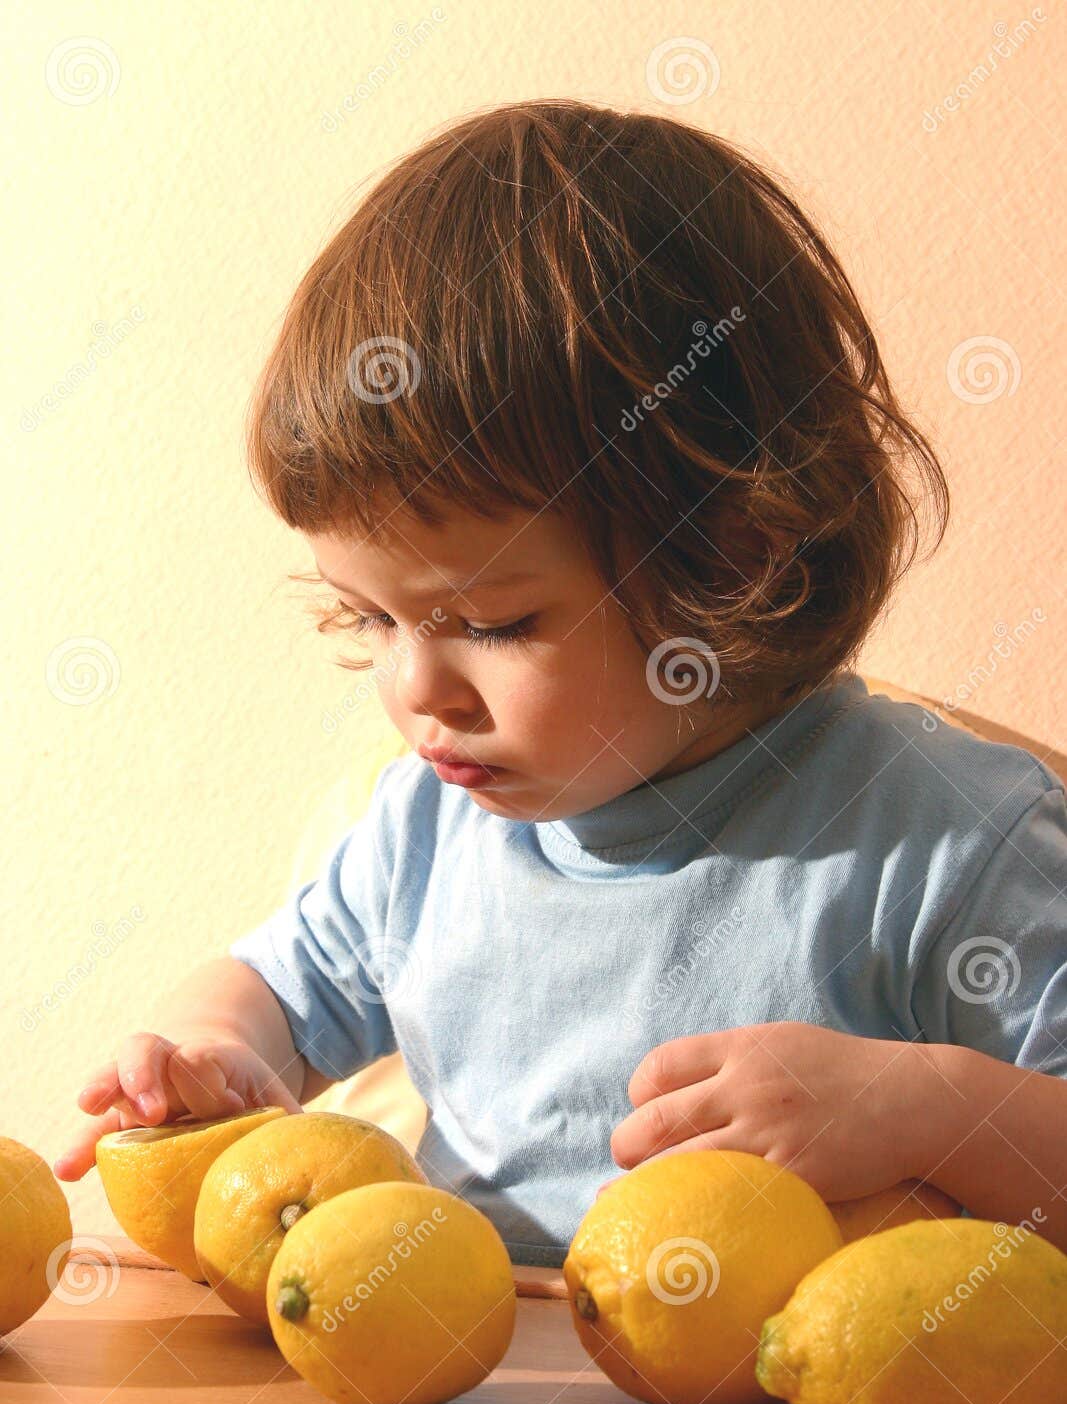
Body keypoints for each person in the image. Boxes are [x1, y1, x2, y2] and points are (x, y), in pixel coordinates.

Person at [55, 99, 1067, 1265]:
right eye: (367, 616)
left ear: (733, 557)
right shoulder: (422, 834)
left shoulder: (942, 840)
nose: (414, 687)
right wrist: (215, 1056)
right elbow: (272, 994)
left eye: (488, 621)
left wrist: (927, 1109)